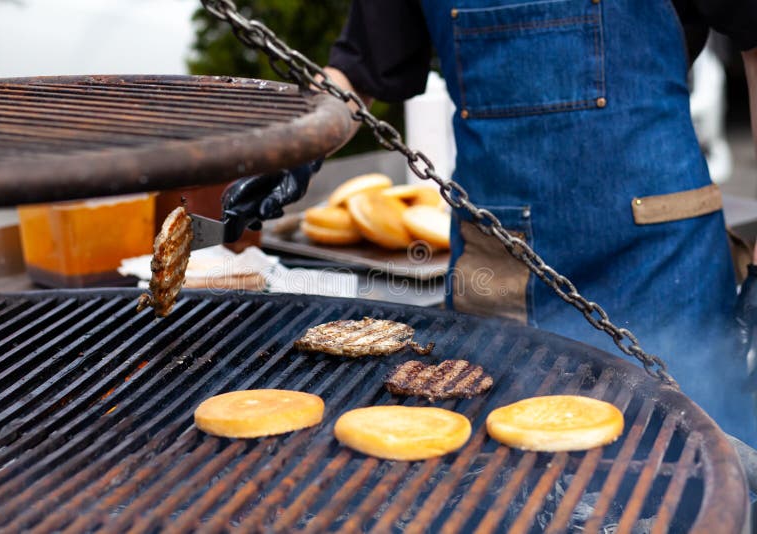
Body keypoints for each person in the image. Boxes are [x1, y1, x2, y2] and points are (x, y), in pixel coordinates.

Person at [223, 0, 757, 446]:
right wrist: (293, 143)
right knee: (502, 483)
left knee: (686, 474)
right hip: (502, 271)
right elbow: (359, 72)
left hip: (665, 265)